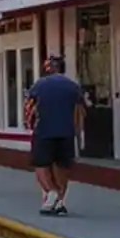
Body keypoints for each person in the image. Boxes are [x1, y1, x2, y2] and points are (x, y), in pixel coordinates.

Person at [25, 55, 86, 216]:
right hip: (66, 132)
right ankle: (60, 201)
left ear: (47, 69)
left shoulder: (39, 85)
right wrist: (78, 134)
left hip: (44, 131)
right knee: (62, 167)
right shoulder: (73, 87)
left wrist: (29, 126)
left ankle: (50, 192)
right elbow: (79, 112)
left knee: (41, 164)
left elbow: (29, 108)